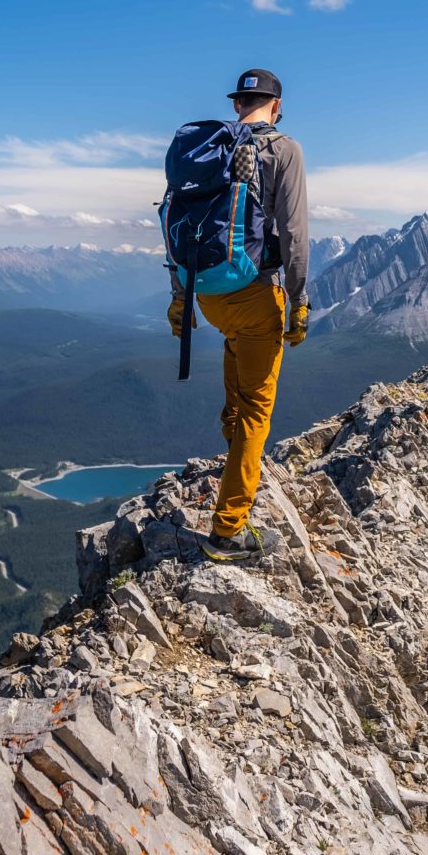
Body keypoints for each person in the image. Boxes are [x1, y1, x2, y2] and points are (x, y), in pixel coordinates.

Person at [167, 68, 309, 563]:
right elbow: (293, 234)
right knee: (256, 409)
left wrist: (180, 298)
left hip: (206, 292)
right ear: (277, 105)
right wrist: (300, 301)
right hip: (254, 292)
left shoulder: (210, 151)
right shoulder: (284, 149)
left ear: (236, 105)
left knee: (236, 365)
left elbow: (181, 227)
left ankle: (233, 461)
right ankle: (229, 529)